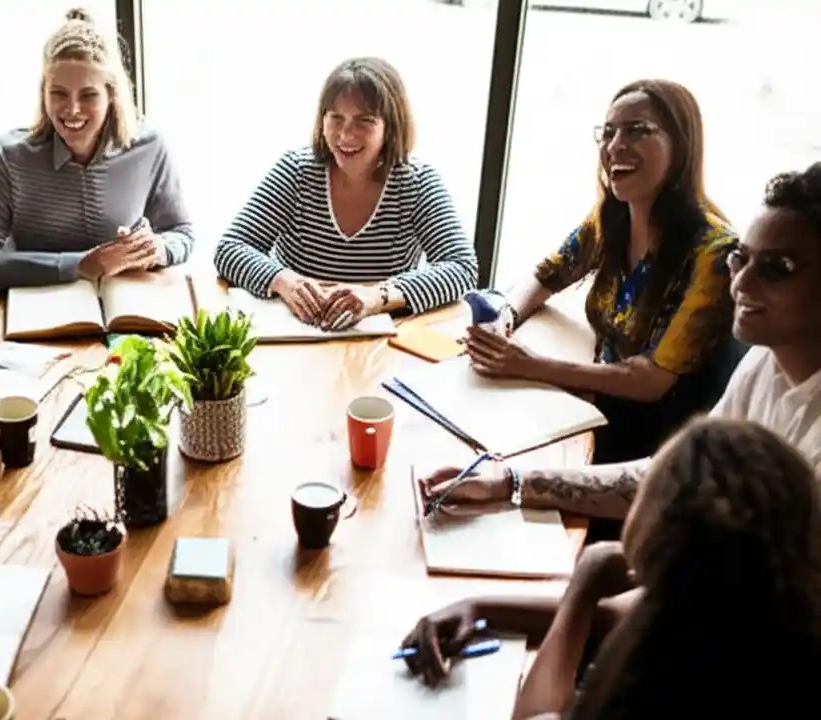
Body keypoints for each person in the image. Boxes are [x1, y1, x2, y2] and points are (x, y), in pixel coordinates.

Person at [418, 162, 821, 521]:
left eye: (777, 268)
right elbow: (675, 475)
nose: (742, 282)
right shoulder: (765, 363)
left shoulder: (706, 246)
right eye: (742, 259)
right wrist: (509, 483)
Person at [463, 79, 742, 465]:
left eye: (637, 130)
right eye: (608, 133)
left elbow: (651, 380)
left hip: (658, 447)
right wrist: (505, 319)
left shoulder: (713, 253)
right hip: (598, 406)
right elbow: (544, 276)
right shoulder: (612, 219)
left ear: (682, 144)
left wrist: (527, 364)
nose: (614, 146)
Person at [511, 419, 821, 718]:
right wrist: (482, 607)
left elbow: (535, 716)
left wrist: (582, 587)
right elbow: (616, 613)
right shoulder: (785, 627)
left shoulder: (657, 676)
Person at [213, 57, 477, 330]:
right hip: (293, 330)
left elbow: (462, 268)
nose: (345, 134)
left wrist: (378, 296)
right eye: (336, 118)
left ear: (391, 127)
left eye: (364, 121)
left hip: (376, 342)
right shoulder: (296, 170)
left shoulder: (418, 183)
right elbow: (230, 248)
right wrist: (283, 280)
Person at [0, 8, 194, 293]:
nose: (72, 109)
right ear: (43, 93)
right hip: (37, 311)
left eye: (88, 95)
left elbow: (182, 234)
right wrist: (79, 265)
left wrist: (159, 248)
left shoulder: (149, 145)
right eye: (58, 93)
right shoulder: (9, 156)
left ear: (111, 95)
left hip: (125, 305)